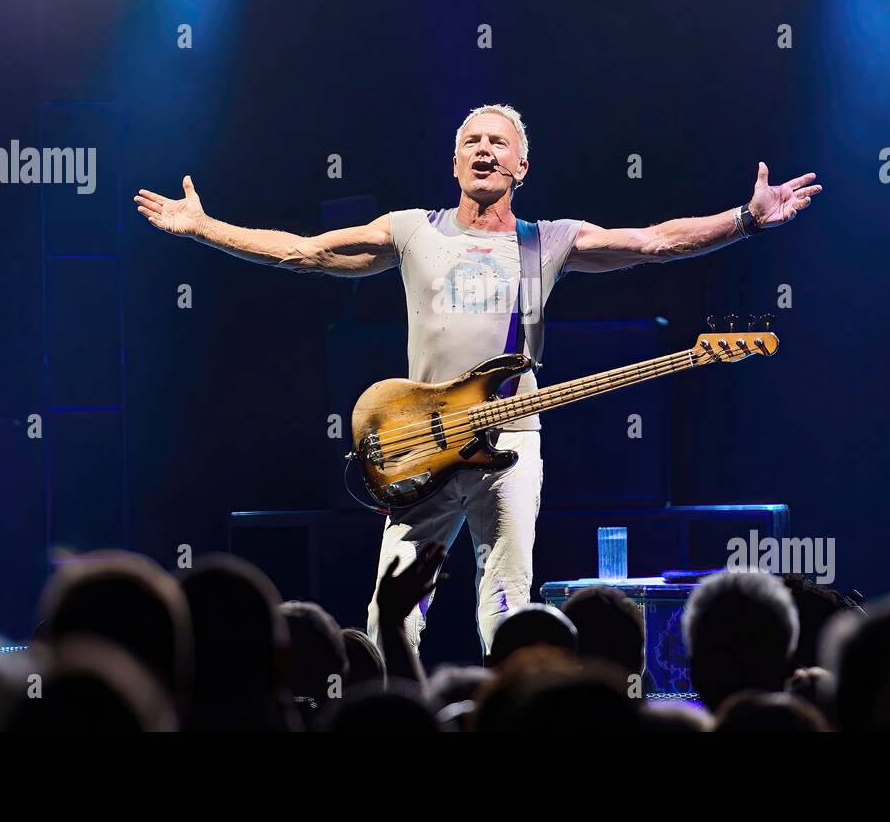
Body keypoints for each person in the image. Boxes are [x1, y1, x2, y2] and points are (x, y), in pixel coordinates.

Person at [135, 104, 822, 656]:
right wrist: (203, 228)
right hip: (420, 447)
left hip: (512, 444)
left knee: (508, 606)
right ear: (455, 162)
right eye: (471, 141)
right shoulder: (413, 230)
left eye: (498, 142)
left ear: (522, 165)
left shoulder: (548, 239)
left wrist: (745, 220)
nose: (484, 149)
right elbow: (304, 253)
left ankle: (512, 706)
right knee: (391, 612)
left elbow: (653, 242)